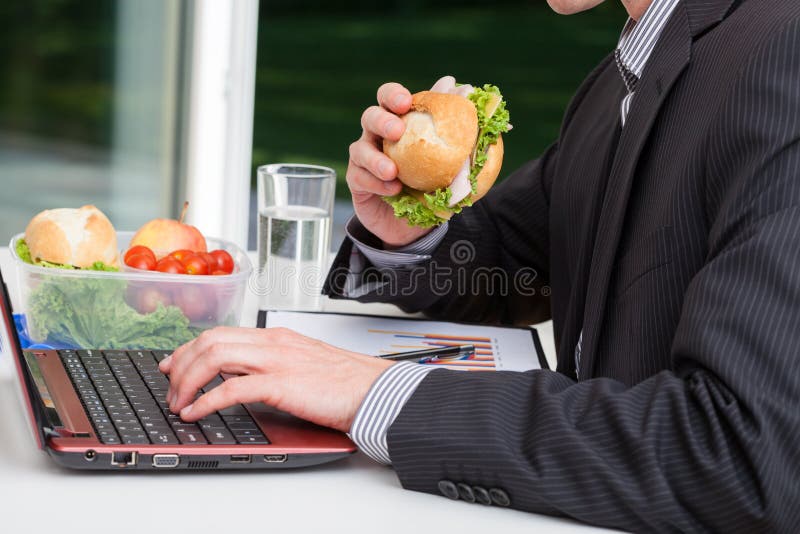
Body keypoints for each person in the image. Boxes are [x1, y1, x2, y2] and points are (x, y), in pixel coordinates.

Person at [160, 0, 800, 530]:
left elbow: (739, 451)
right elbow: (519, 261)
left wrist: (370, 391)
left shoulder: (783, 51)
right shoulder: (624, 72)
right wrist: (411, 230)